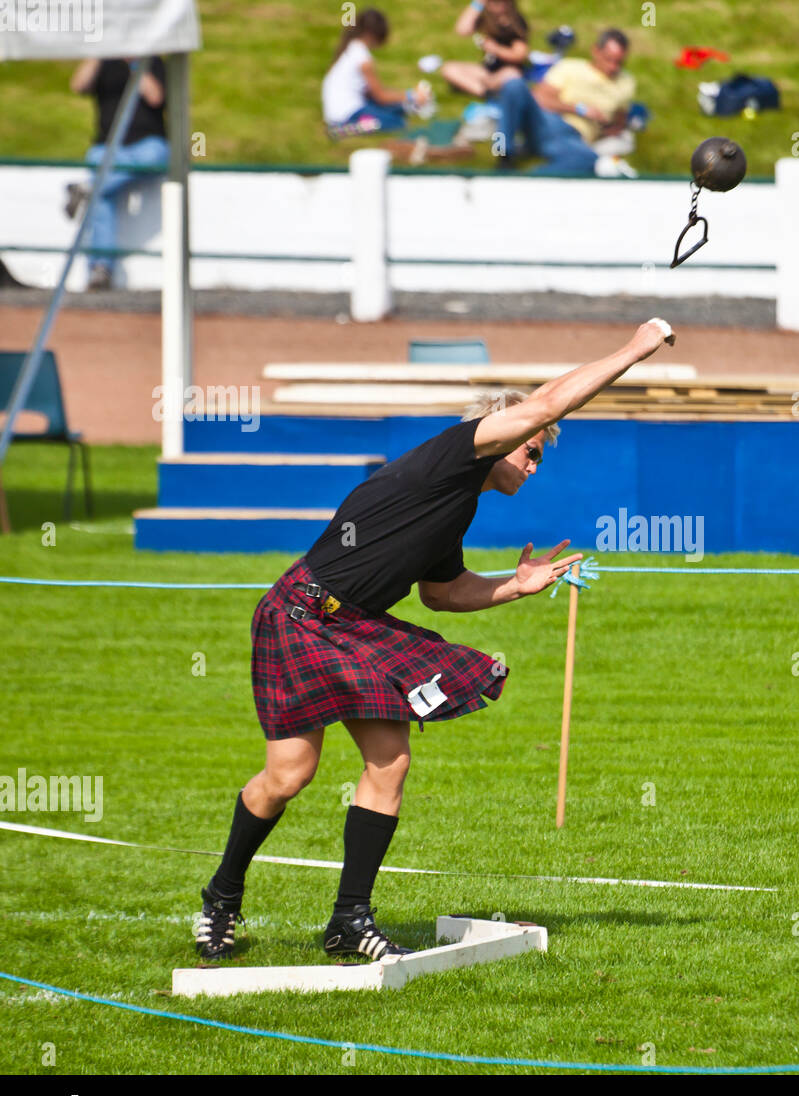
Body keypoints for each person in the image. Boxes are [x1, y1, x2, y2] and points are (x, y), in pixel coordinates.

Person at [193, 318, 677, 963]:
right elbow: (545, 402)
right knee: (289, 776)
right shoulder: (453, 454)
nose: (534, 467)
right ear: (503, 439)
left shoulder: (457, 501)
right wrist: (636, 348)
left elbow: (443, 593)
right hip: (299, 615)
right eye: (532, 452)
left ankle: (349, 921)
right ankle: (221, 898)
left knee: (390, 762)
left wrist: (517, 584)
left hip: (356, 627)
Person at [65, 57, 169, 292]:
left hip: (147, 144)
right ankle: (101, 268)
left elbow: (155, 96)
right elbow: (78, 85)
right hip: (107, 147)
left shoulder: (152, 61)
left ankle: (87, 188)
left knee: (103, 187)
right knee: (101, 195)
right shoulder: (102, 62)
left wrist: (135, 64)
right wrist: (96, 55)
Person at [494, 28, 635, 175]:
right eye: (608, 59)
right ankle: (504, 155)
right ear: (595, 51)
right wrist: (580, 109)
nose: (613, 67)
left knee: (590, 161)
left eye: (619, 62)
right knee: (514, 85)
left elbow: (619, 122)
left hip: (574, 138)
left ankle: (524, 181)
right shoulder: (570, 67)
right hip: (546, 122)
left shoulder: (626, 82)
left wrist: (605, 124)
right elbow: (539, 98)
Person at [321, 8, 434, 152]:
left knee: (394, 110)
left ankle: (354, 124)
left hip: (338, 111)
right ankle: (346, 129)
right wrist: (412, 95)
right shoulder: (363, 58)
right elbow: (380, 96)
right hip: (347, 114)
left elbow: (372, 93)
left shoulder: (350, 49)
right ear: (373, 34)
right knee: (396, 122)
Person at [438, 0, 531, 97]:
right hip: (487, 70)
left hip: (507, 71)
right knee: (449, 68)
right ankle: (485, 93)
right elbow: (462, 30)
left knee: (512, 75)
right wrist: (477, 3)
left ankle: (482, 88)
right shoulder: (487, 19)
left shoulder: (516, 24)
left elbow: (519, 55)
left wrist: (496, 49)